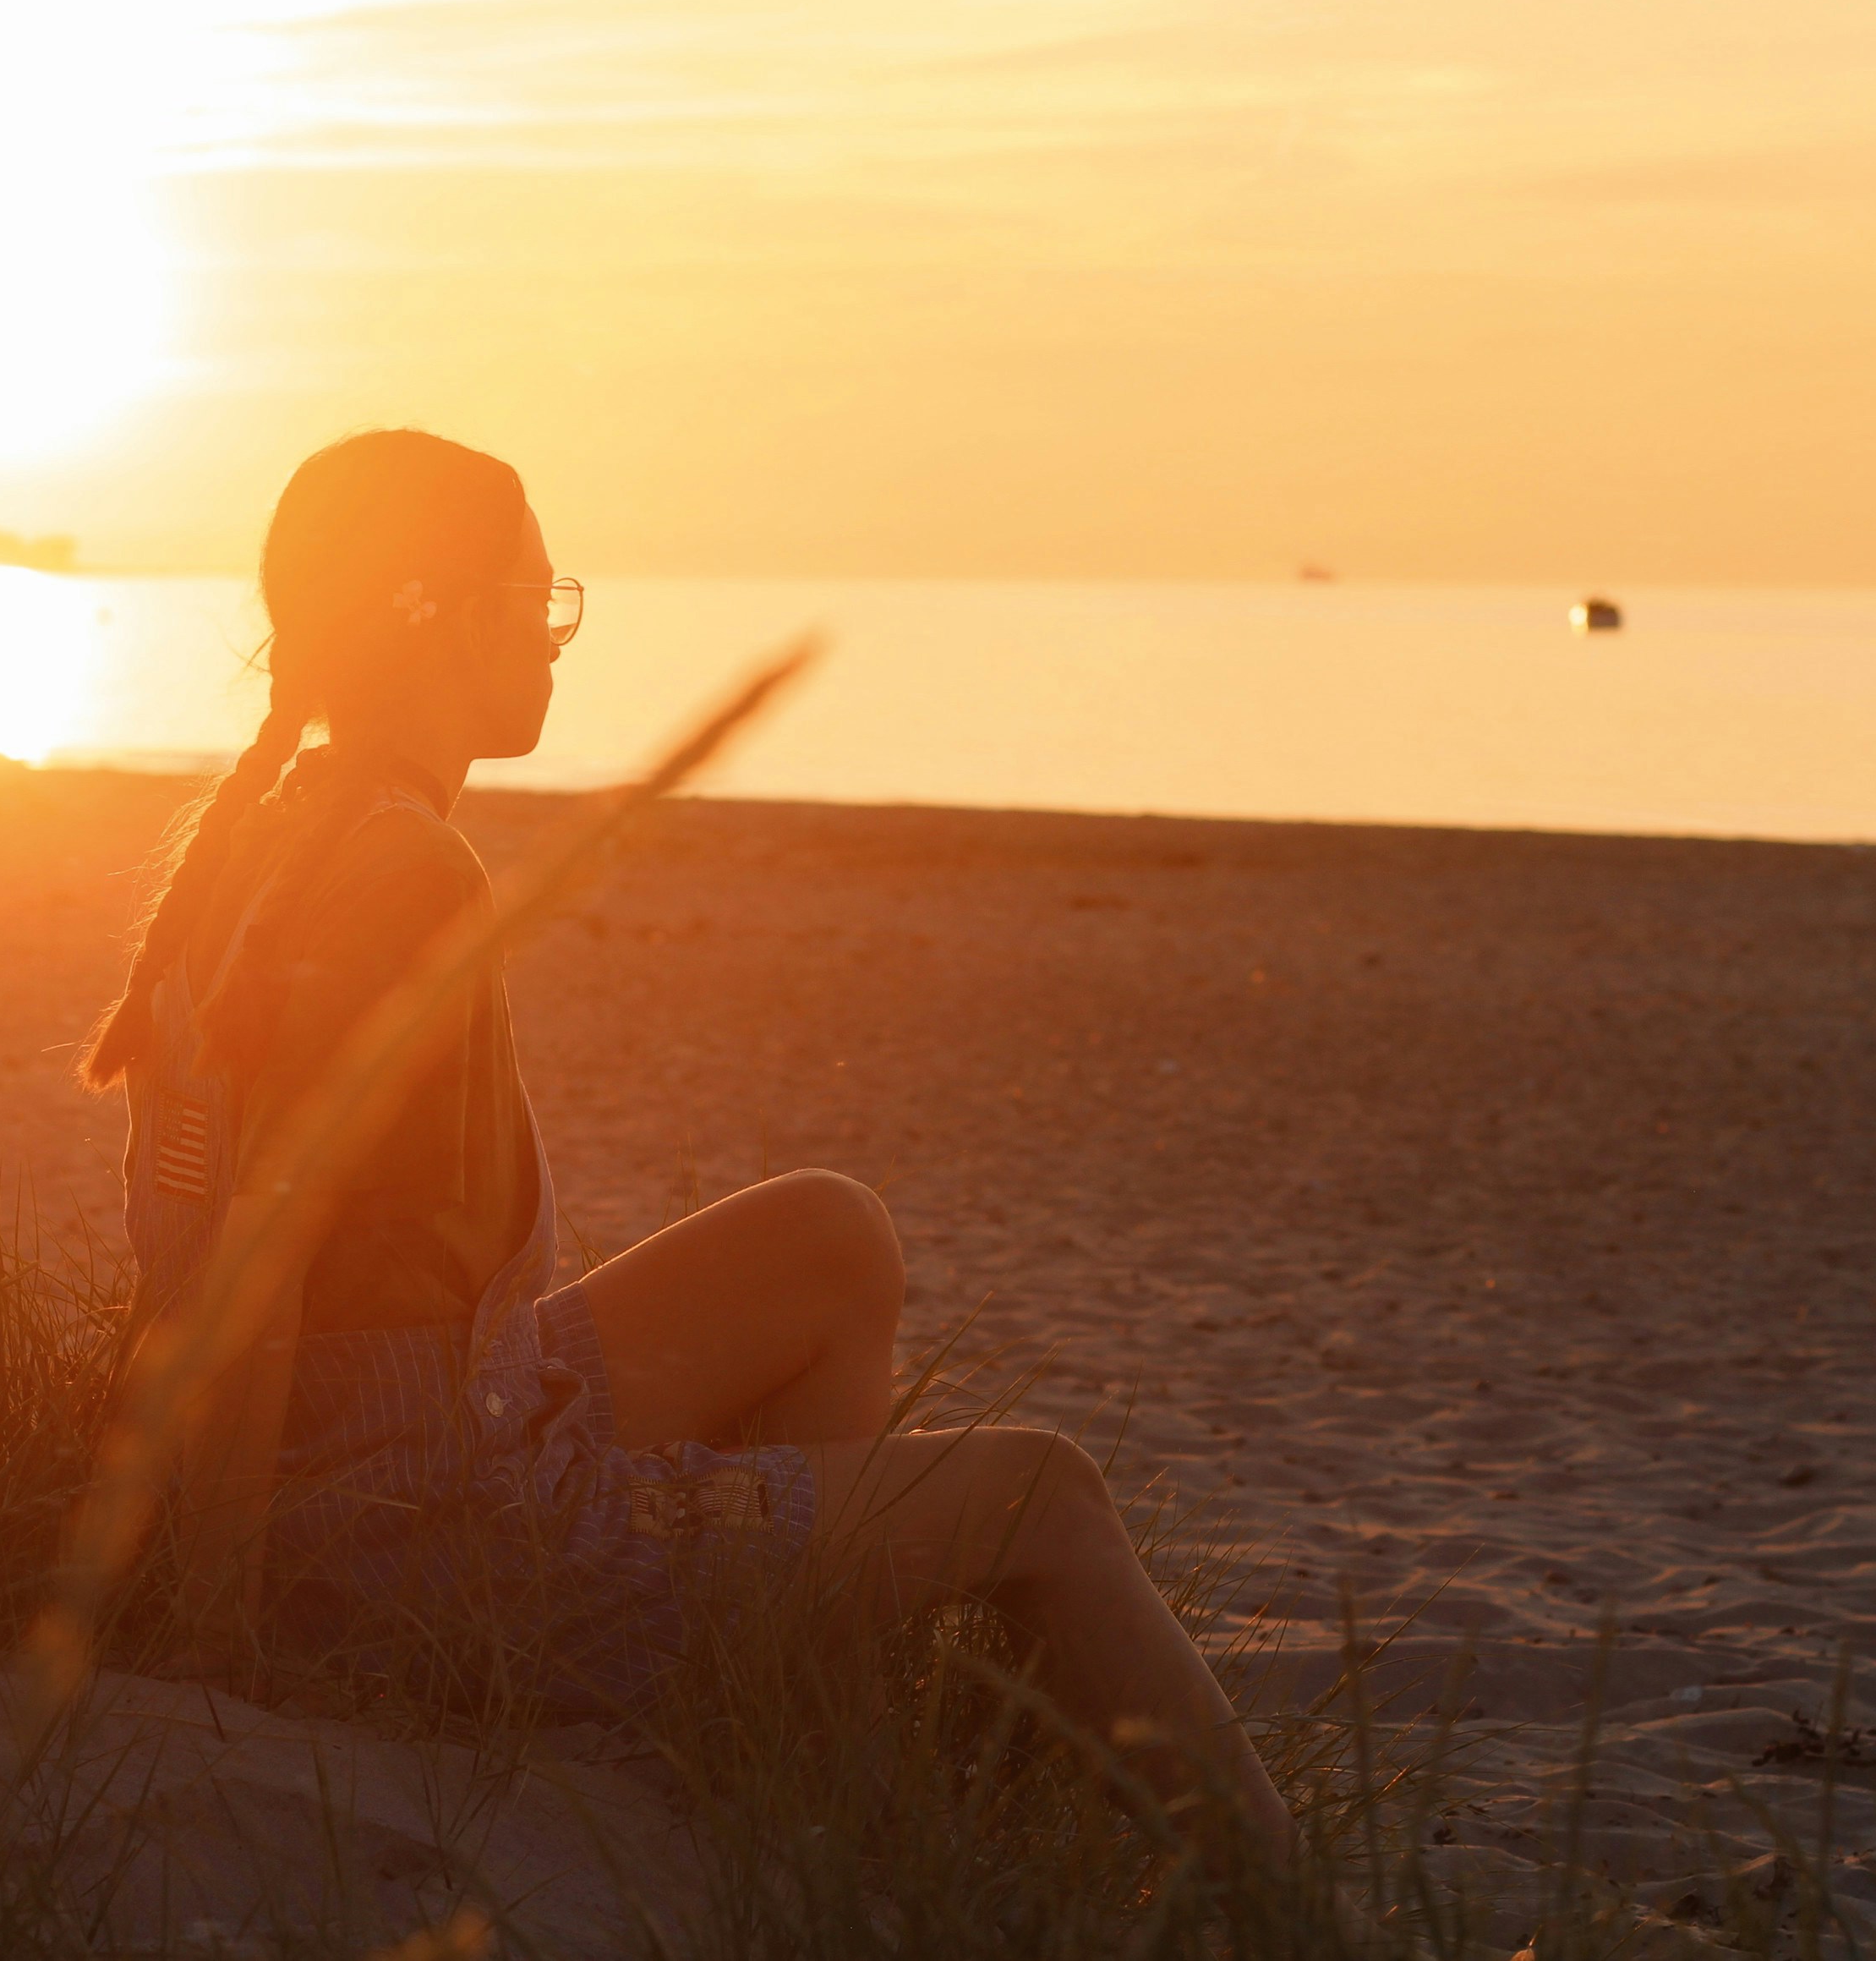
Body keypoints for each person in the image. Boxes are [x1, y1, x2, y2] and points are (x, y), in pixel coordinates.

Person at [77, 429, 1288, 1865]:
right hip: (420, 1531)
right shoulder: (403, 874)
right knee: (1043, 1494)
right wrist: (225, 1635)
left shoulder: (267, 839)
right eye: (538, 603)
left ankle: (800, 1762)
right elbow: (249, 1261)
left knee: (827, 1237)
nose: (555, 641)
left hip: (405, 1436)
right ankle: (1308, 1928)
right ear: (442, 615)